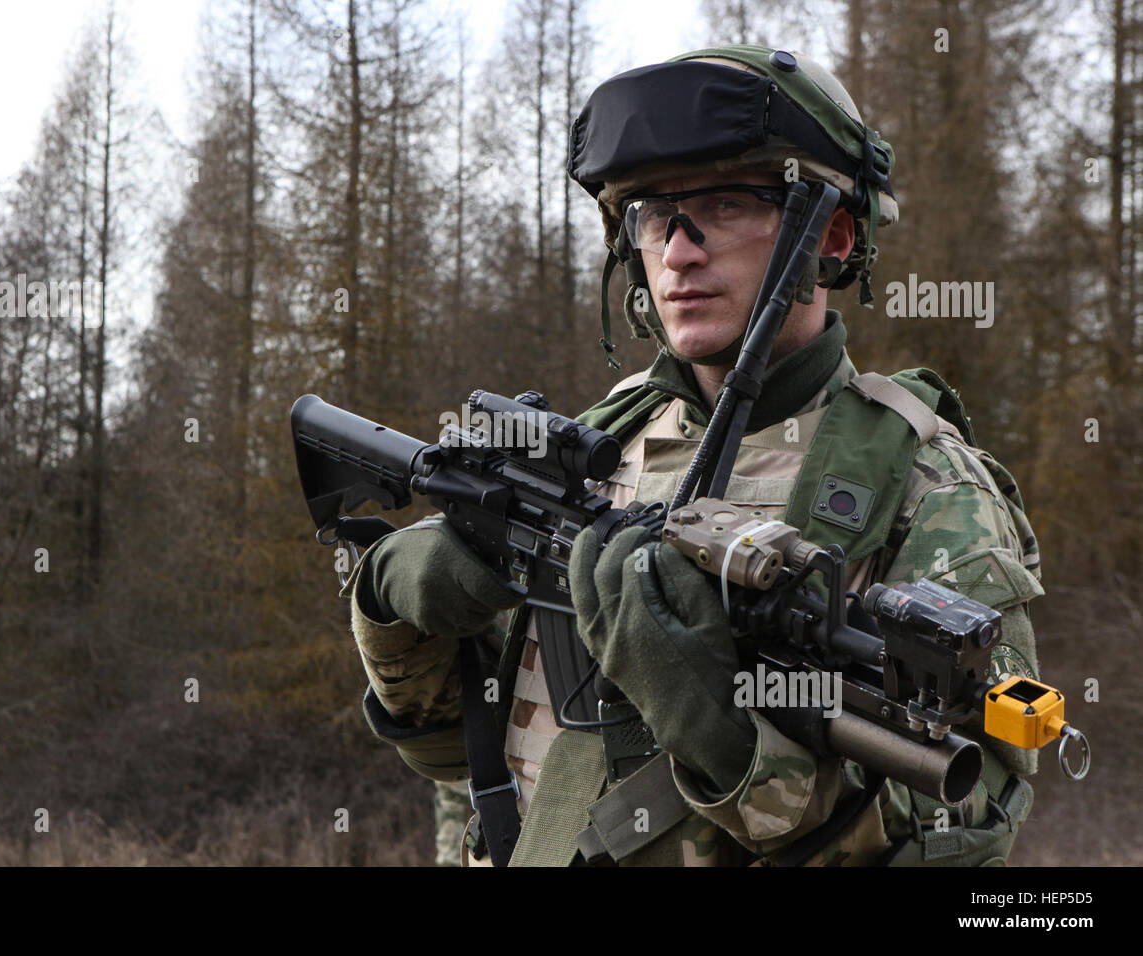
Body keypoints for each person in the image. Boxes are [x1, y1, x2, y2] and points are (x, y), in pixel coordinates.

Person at [344, 45, 1044, 866]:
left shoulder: (925, 485)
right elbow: (465, 759)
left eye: (724, 203)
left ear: (834, 232)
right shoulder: (597, 445)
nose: (678, 250)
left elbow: (974, 828)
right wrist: (394, 616)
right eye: (651, 213)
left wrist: (729, 742)